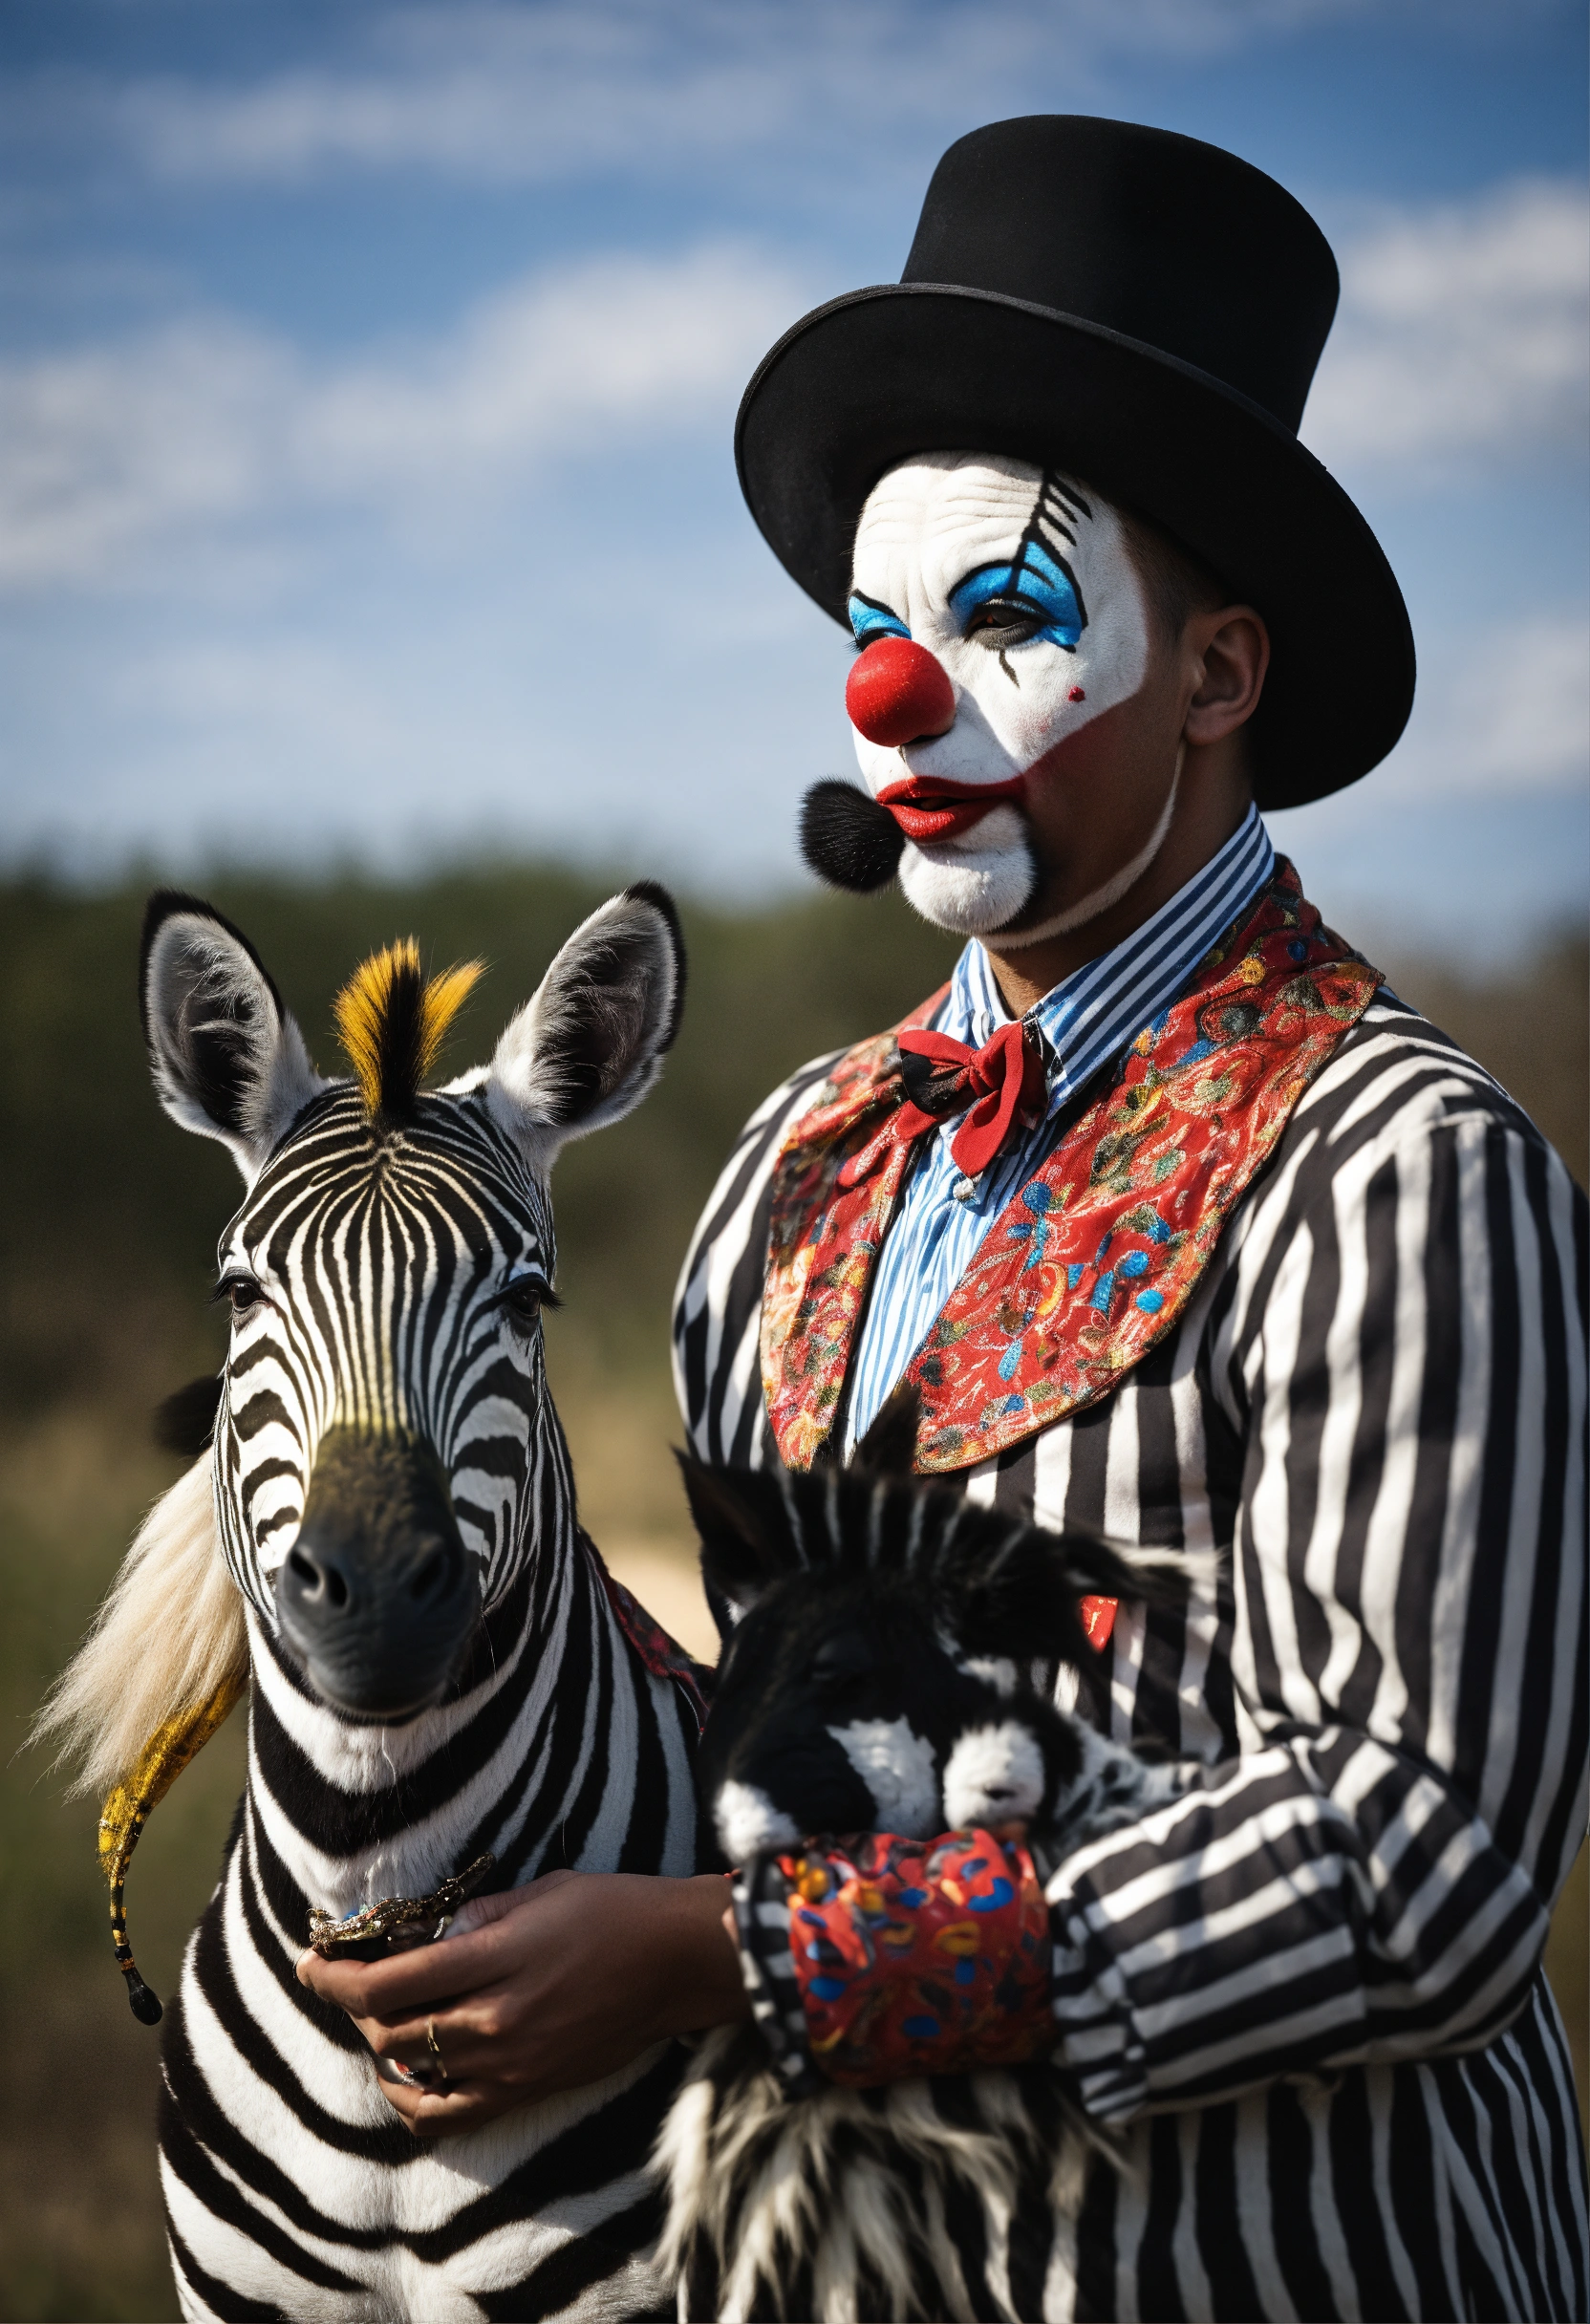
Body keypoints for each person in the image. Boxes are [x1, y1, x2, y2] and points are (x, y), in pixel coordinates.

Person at [302, 118, 1588, 2319]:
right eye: (876, 626)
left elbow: (1427, 1869)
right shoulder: (788, 1167)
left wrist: (729, 1957)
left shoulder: (1406, 1164)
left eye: (1003, 615)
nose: (897, 694)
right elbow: (802, 1716)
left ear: (1216, 675)